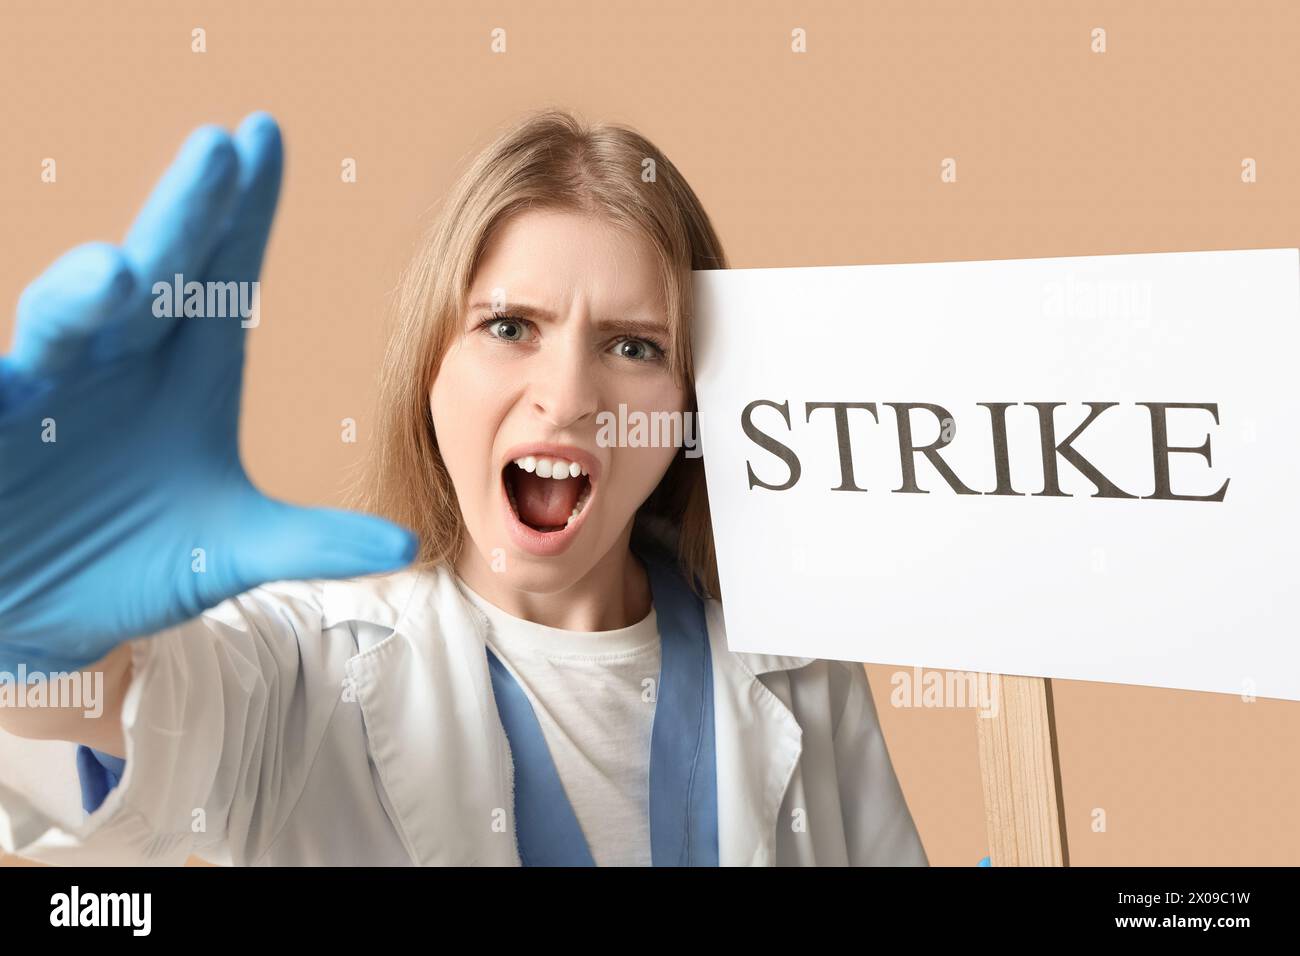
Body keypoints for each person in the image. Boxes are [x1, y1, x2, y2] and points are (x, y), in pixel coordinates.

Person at [0, 109, 928, 866]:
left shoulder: (805, 675)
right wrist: (44, 606)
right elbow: (129, 723)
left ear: (692, 404)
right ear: (429, 371)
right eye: (510, 327)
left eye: (634, 346)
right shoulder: (302, 666)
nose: (567, 399)